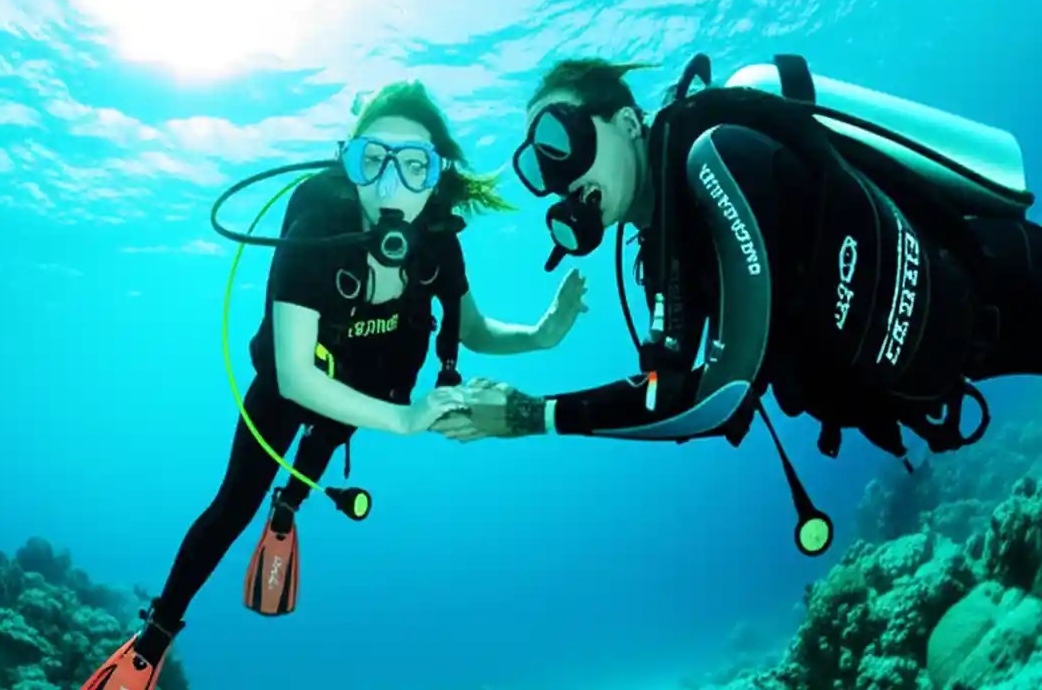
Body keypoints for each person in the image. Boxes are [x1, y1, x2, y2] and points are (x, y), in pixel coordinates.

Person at [82, 80, 589, 690]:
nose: (391, 184)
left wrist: (540, 333)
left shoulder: (437, 242)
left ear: (436, 173)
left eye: (415, 165)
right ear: (349, 161)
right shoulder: (316, 222)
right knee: (231, 506)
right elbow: (296, 375)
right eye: (372, 160)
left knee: (326, 439)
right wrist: (405, 419)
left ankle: (290, 508)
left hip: (367, 391)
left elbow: (472, 328)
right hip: (291, 387)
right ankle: (152, 641)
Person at [434, 52, 1039, 556]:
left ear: (624, 123)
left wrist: (529, 415)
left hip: (1001, 279)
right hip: (960, 344)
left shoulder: (713, 156)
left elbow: (718, 400)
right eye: (540, 165)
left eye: (560, 138)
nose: (560, 176)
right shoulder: (668, 241)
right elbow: (669, 389)